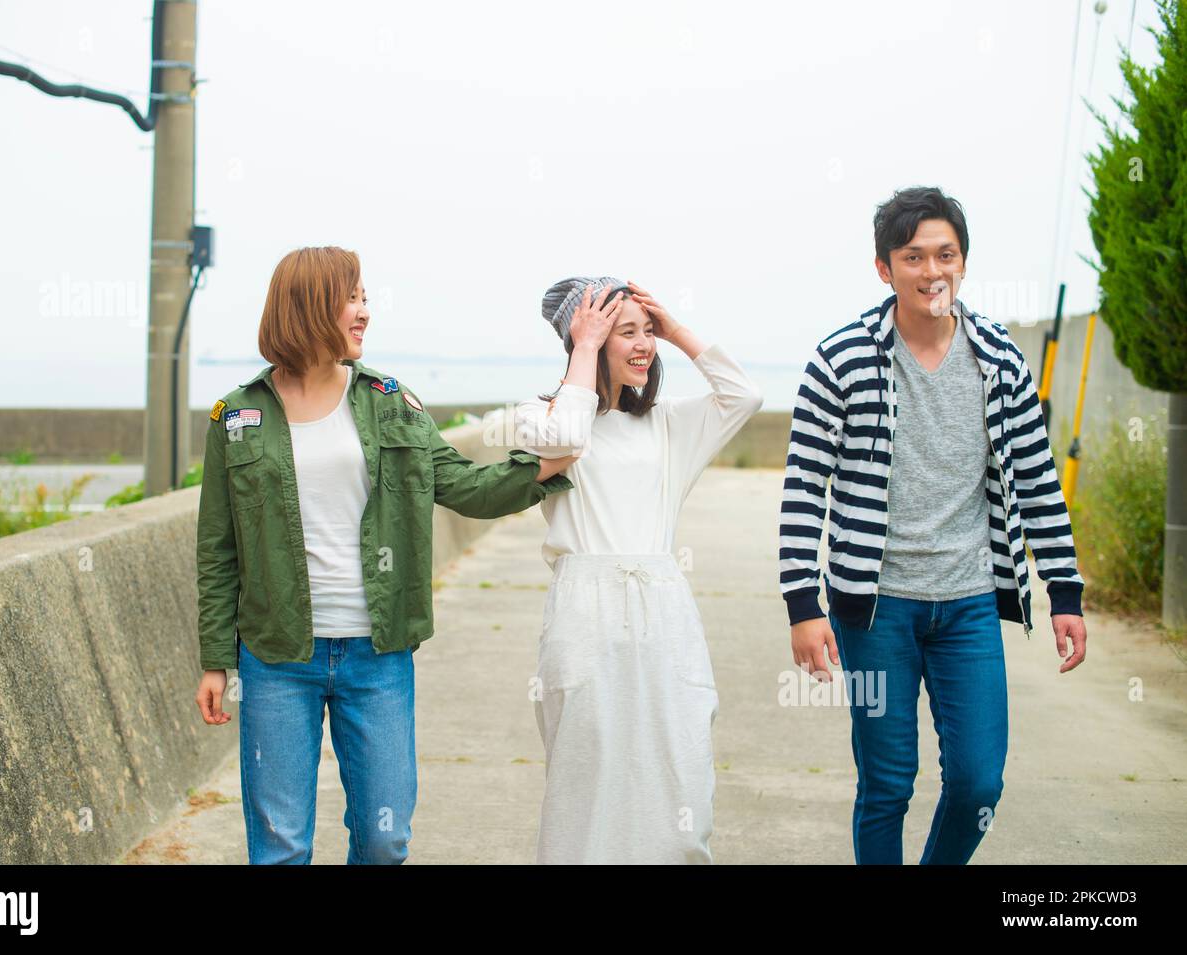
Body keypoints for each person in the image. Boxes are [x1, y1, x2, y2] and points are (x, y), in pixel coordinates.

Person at [194, 246, 576, 864]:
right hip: (275, 656)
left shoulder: (389, 400)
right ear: (310, 305)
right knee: (280, 847)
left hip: (377, 652)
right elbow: (217, 549)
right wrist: (217, 660)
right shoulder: (238, 416)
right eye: (354, 297)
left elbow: (460, 485)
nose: (365, 312)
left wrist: (541, 465)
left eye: (366, 298)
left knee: (385, 837)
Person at [777, 186, 1089, 865]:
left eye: (945, 254)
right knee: (887, 784)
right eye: (912, 256)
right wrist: (803, 603)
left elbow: (1036, 481)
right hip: (874, 609)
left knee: (979, 779)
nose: (931, 270)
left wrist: (1064, 592)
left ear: (964, 264)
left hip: (970, 604)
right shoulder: (842, 359)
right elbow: (804, 487)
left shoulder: (1000, 360)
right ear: (885, 269)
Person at [514, 276, 763, 864]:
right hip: (585, 608)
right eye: (625, 332)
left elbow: (743, 396)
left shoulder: (669, 423)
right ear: (587, 339)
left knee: (681, 772)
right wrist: (582, 349)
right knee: (587, 778)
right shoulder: (537, 416)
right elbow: (568, 438)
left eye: (647, 331)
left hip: (663, 609)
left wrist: (674, 329)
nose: (643, 345)